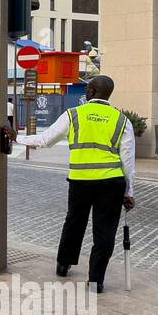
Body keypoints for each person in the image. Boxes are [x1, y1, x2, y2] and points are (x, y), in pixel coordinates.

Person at [11, 75, 135, 293]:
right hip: (111, 182)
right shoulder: (122, 120)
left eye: (88, 88)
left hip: (81, 181)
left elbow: (45, 140)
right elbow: (128, 161)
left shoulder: (74, 114)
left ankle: (63, 264)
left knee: (74, 223)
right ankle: (96, 281)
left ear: (92, 92)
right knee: (104, 232)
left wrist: (16, 138)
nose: (85, 92)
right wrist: (129, 192)